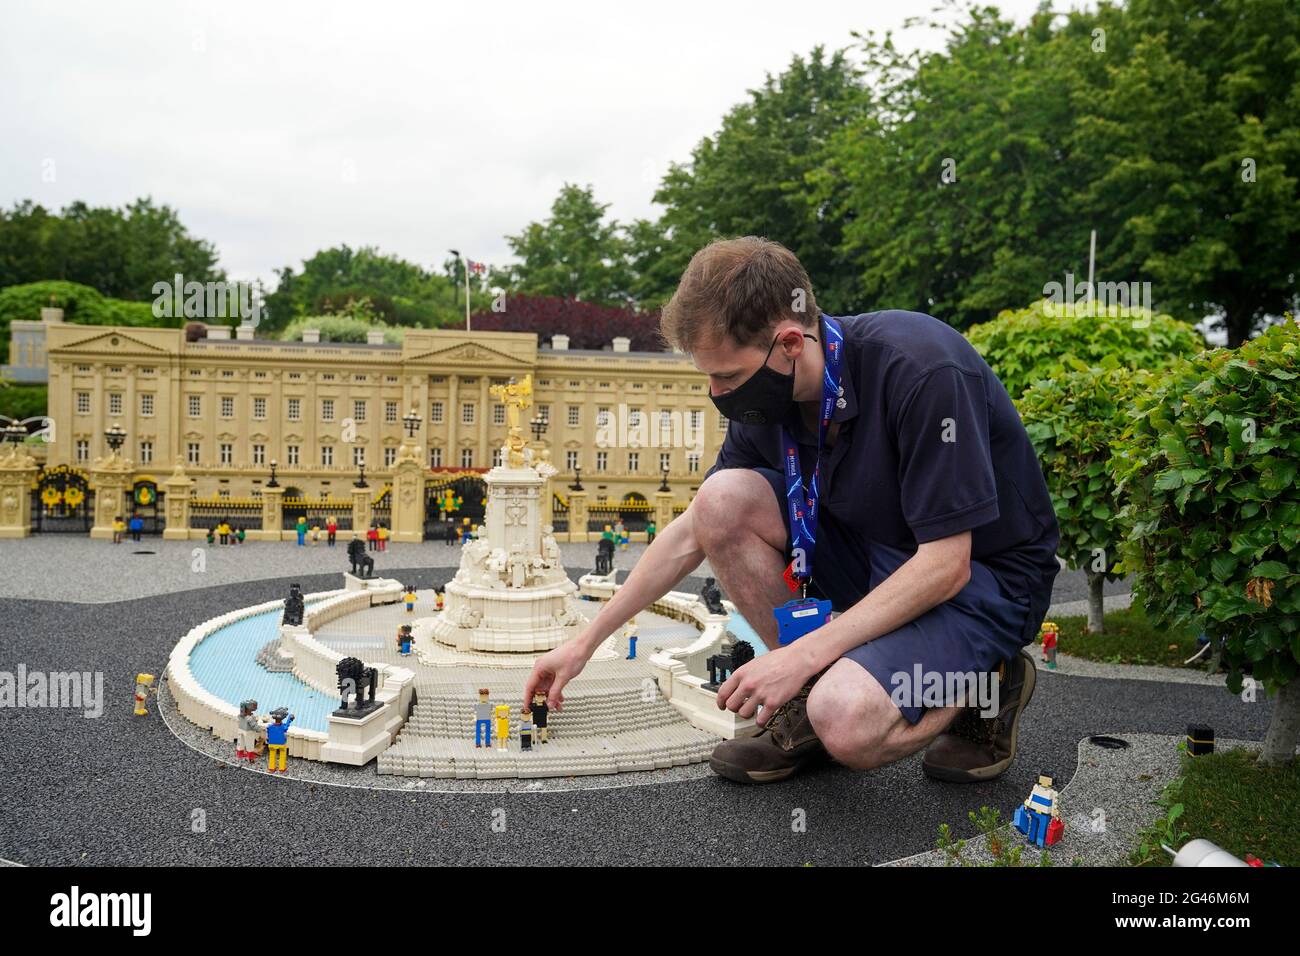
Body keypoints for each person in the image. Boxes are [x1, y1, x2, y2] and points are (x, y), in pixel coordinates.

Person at [524, 237, 1059, 786]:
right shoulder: (768, 398)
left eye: (727, 377)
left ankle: (986, 686)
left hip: (984, 582)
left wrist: (799, 659)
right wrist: (586, 642)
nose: (717, 393)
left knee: (846, 723)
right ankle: (809, 704)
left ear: (788, 342)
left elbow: (947, 564)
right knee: (720, 500)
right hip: (873, 555)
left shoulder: (920, 368)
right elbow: (692, 532)